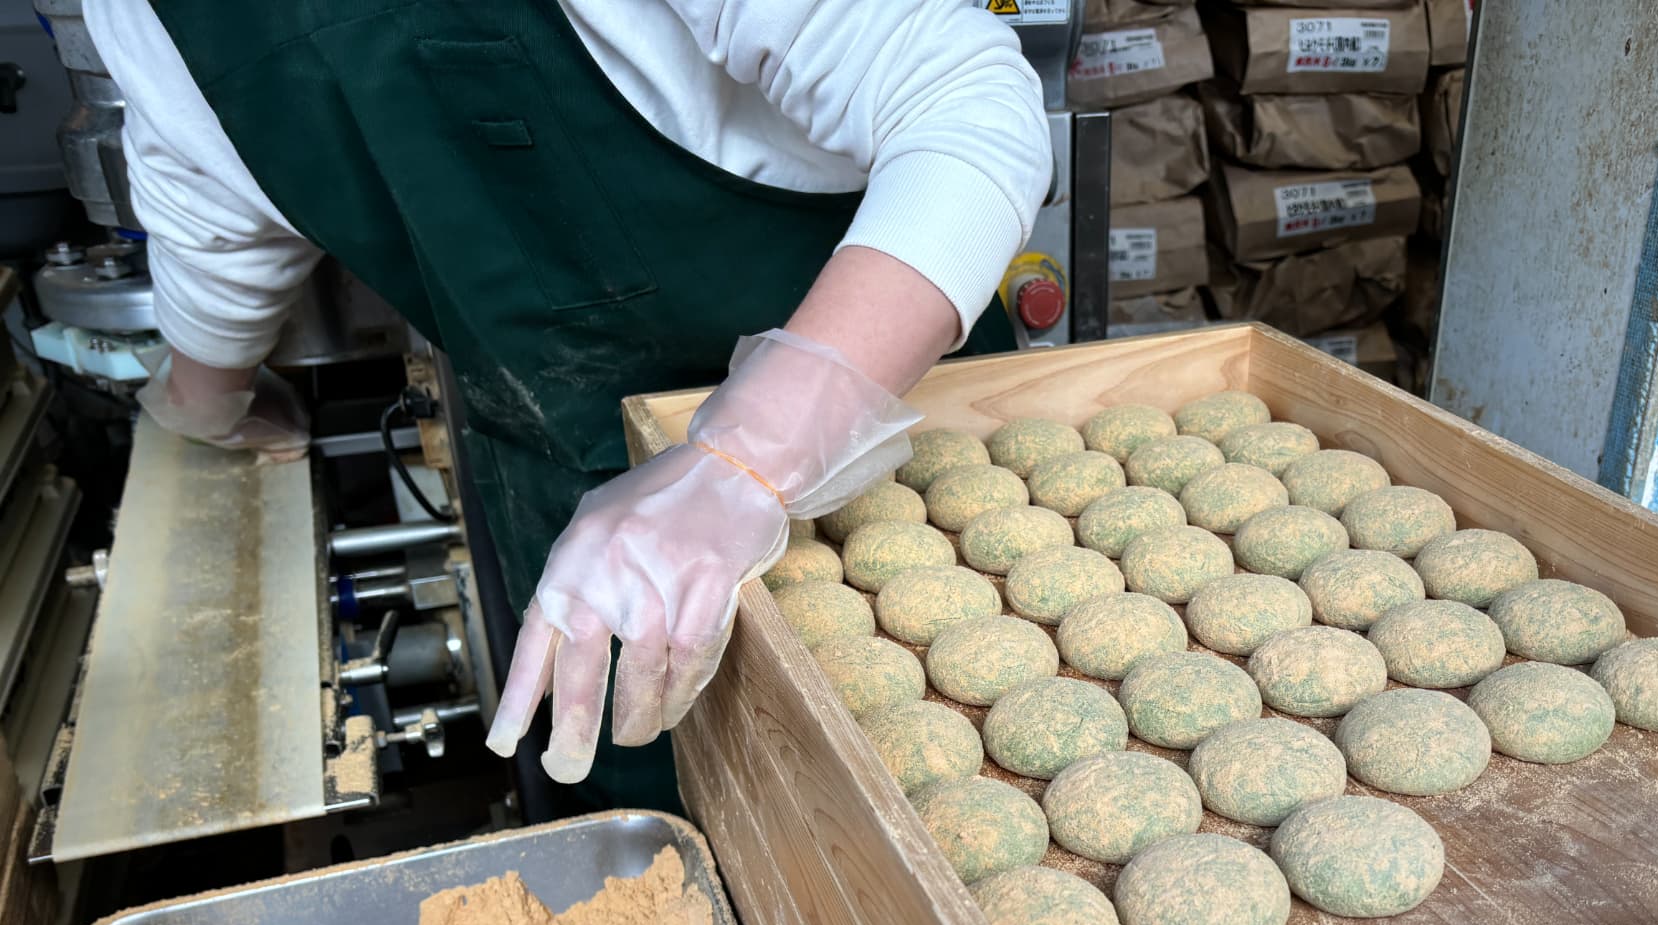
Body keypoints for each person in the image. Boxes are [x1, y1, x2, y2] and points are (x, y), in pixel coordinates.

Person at [87, 0, 1053, 804]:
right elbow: (210, 202)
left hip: (878, 399)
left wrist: (743, 458)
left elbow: (962, 105)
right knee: (675, 819)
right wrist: (204, 390)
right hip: (574, 483)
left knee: (935, 802)